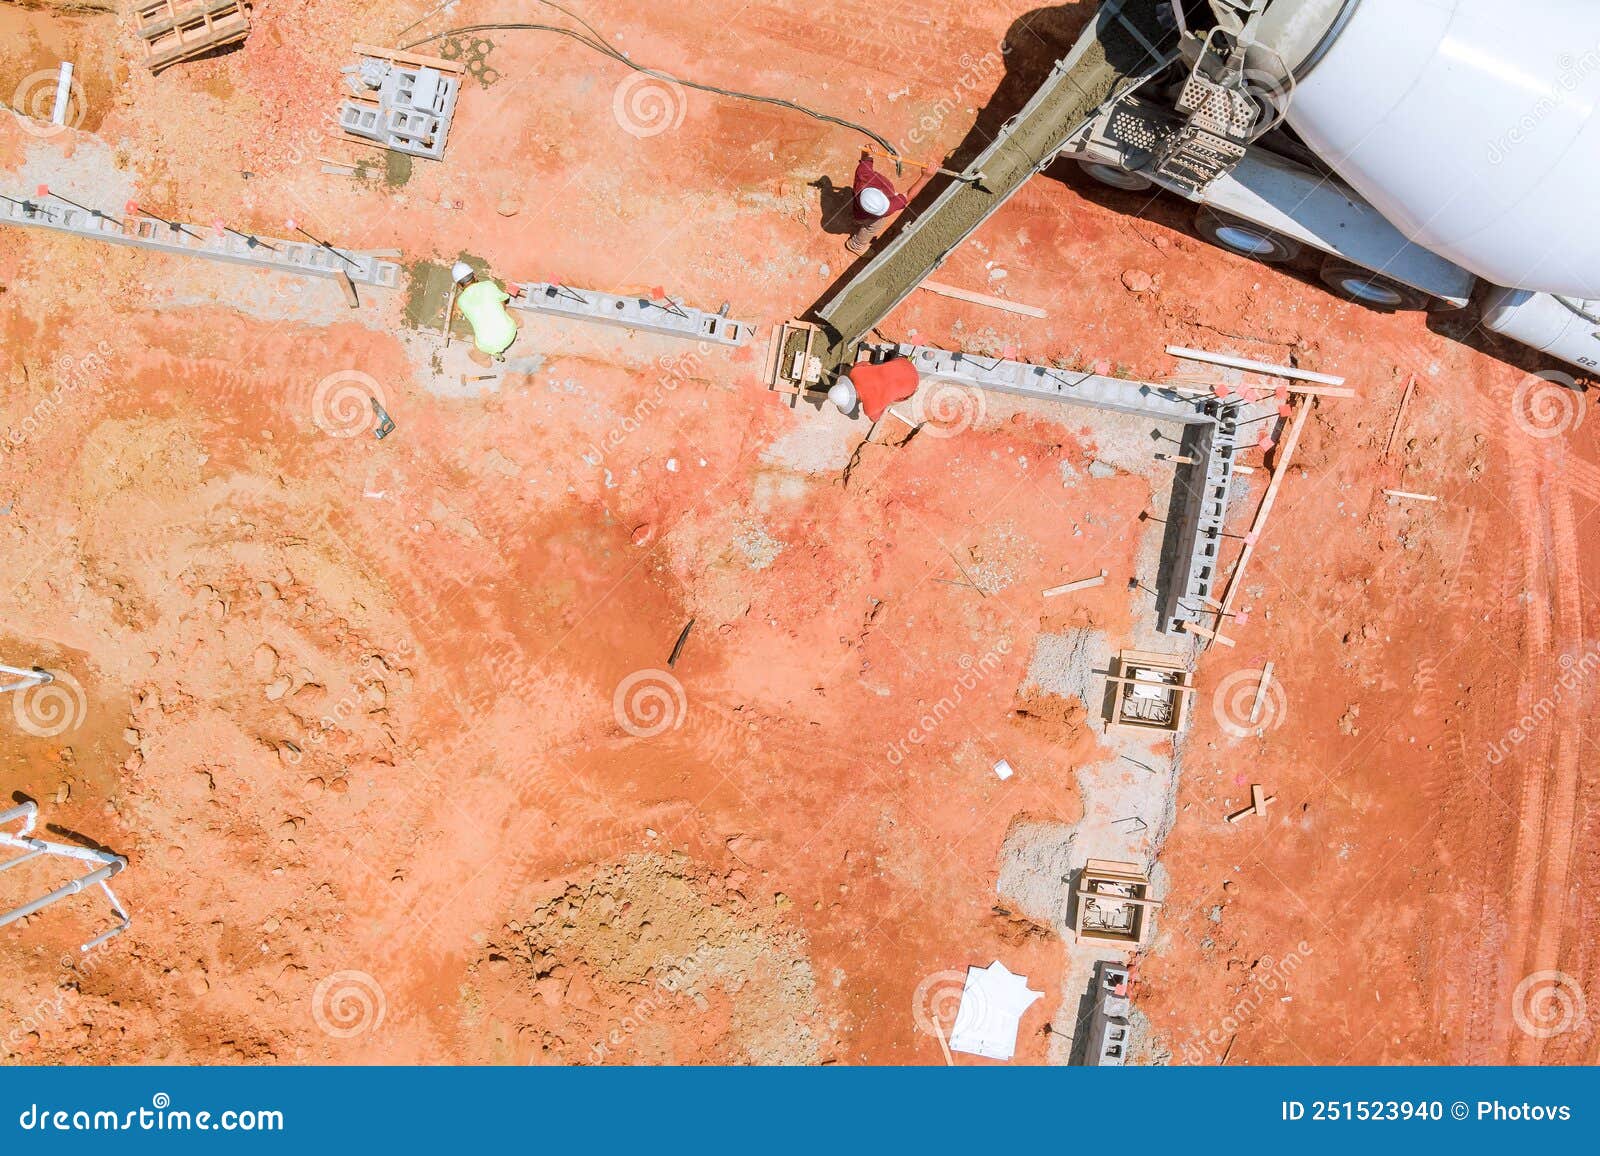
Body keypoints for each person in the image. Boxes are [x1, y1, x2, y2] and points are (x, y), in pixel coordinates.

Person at [845, 150, 927, 255]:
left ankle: (858, 220)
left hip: (859, 209)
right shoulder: (888, 209)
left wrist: (870, 149)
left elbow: (866, 153)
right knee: (873, 226)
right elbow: (908, 195)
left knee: (860, 215)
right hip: (865, 216)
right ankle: (856, 245)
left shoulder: (863, 175)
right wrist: (926, 177)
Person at [452, 263, 518, 359]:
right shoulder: (488, 285)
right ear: (475, 276)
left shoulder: (461, 301)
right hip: (509, 334)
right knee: (510, 312)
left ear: (459, 286)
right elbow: (503, 306)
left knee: (477, 342)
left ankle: (489, 357)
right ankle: (519, 324)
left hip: (486, 345)